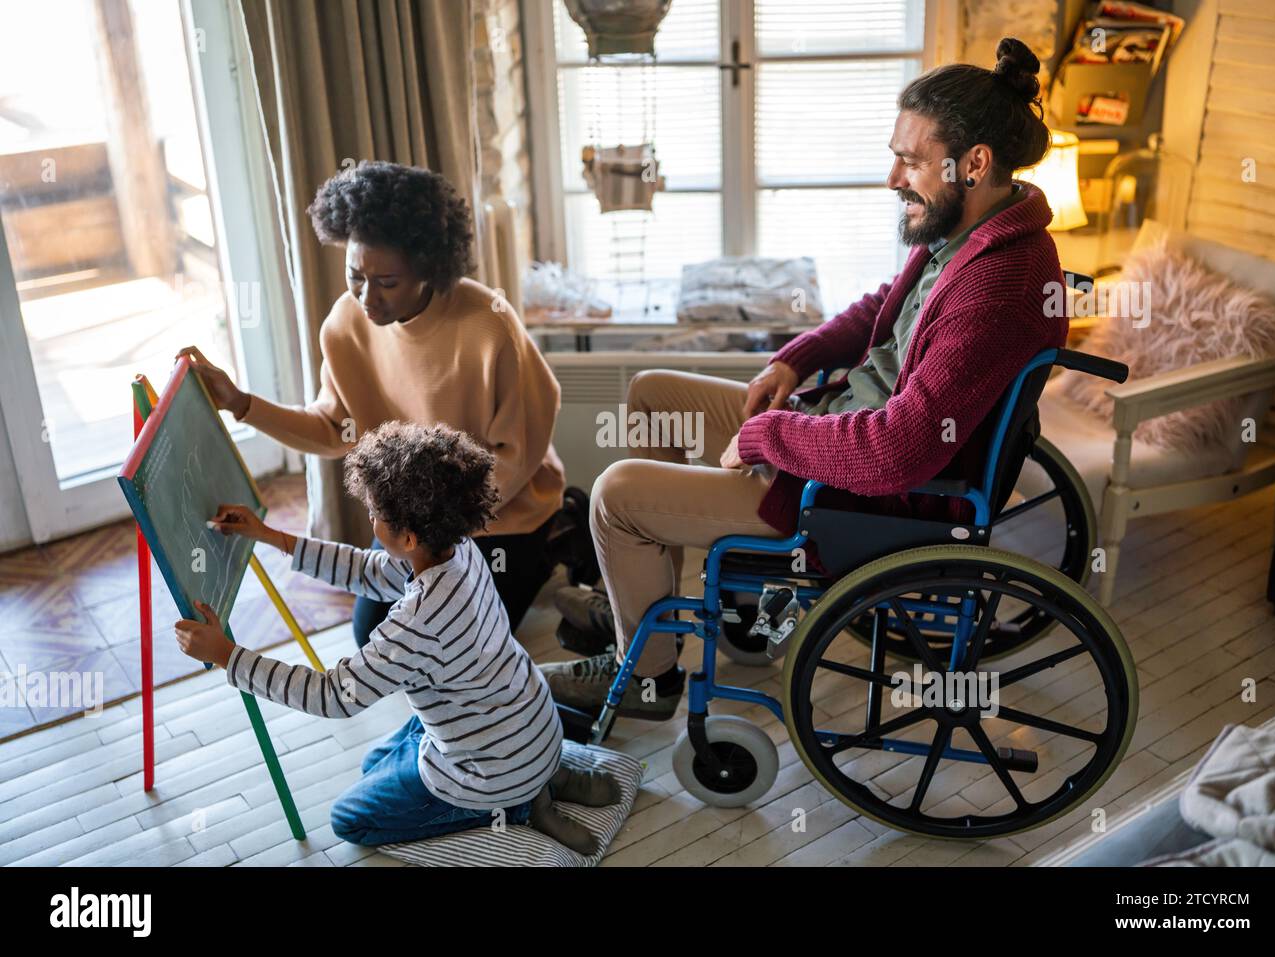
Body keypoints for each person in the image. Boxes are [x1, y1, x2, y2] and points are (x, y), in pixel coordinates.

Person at [542, 37, 1067, 719]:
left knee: (613, 494)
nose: (892, 178)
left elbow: (900, 450)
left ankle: (647, 675)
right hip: (833, 430)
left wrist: (770, 436)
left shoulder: (998, 283)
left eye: (909, 160)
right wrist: (798, 356)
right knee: (652, 393)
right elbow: (884, 306)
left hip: (863, 494)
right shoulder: (974, 228)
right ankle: (649, 612)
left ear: (974, 162)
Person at [173, 421, 618, 852]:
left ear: (406, 536)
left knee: (350, 818)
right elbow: (367, 571)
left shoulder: (417, 623)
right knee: (374, 764)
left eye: (375, 512)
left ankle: (520, 803)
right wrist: (269, 536)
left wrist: (229, 656)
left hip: (493, 765)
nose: (369, 516)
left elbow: (332, 695)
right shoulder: (459, 549)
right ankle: (542, 773)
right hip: (533, 725)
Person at [178, 160, 565, 646]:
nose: (367, 297)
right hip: (416, 519)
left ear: (428, 270)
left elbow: (519, 454)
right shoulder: (345, 325)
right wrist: (241, 403)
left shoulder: (488, 323)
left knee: (451, 645)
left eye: (387, 283)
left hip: (500, 516)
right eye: (355, 275)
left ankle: (558, 567)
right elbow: (332, 427)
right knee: (372, 634)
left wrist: (436, 531)